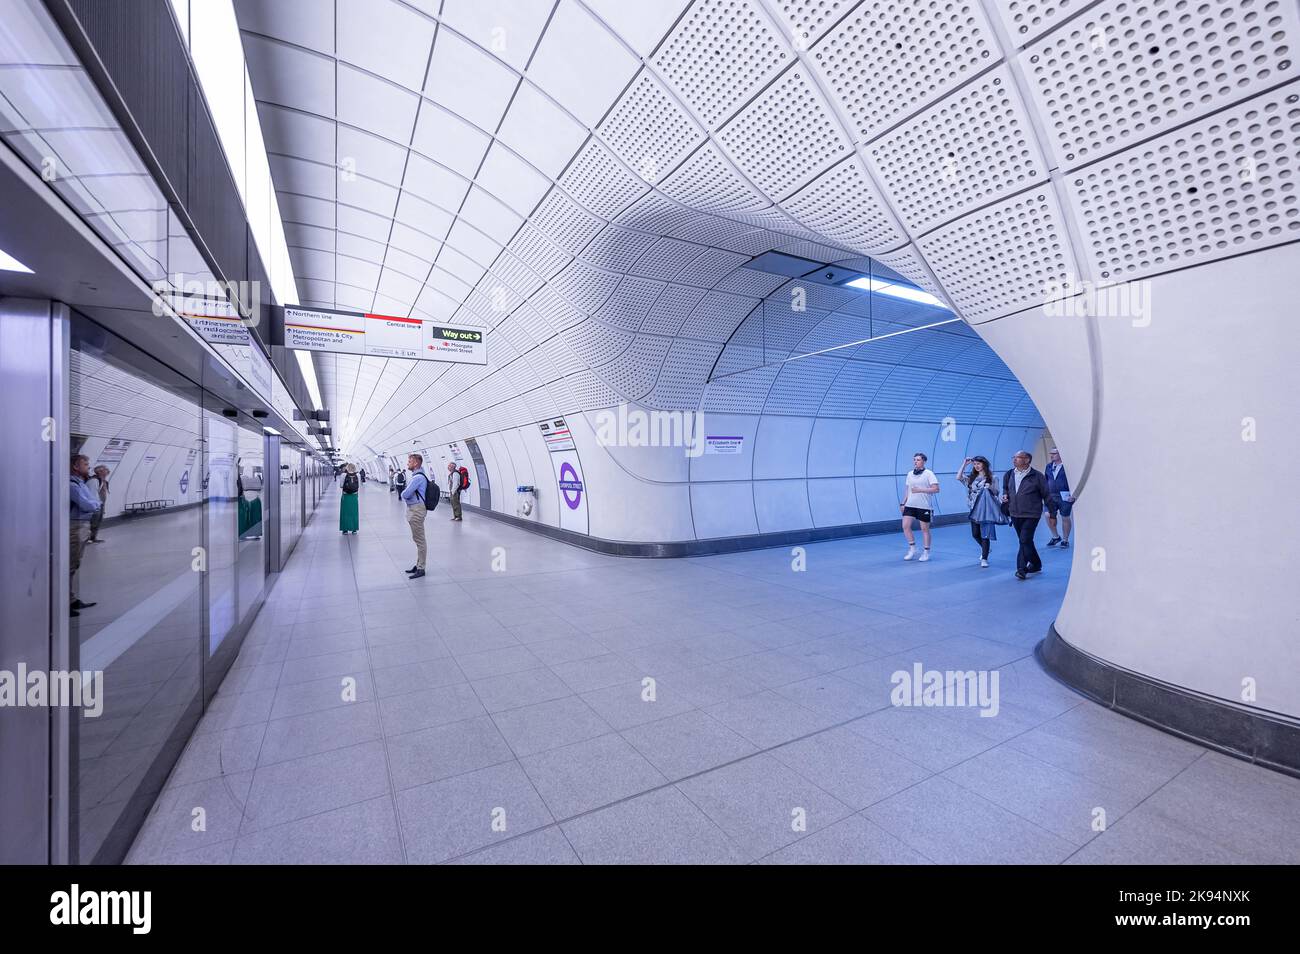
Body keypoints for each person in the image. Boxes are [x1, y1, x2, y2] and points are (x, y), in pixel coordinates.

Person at [1001, 450, 1050, 580]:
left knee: (1024, 540)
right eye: (1014, 457)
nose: (1014, 460)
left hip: (1032, 514)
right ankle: (1036, 564)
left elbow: (1046, 494)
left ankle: (1021, 569)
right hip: (1015, 513)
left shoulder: (1037, 476)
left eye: (1017, 457)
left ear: (1027, 459)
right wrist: (1005, 495)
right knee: (1026, 541)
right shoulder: (1009, 474)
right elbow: (1005, 487)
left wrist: (1052, 512)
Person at [69, 455, 100, 617]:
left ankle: (71, 599)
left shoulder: (81, 483)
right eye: (85, 464)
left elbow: (95, 502)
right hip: (74, 526)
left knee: (75, 564)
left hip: (82, 526)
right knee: (70, 565)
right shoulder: (71, 485)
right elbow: (88, 504)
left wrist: (93, 504)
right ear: (75, 466)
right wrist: (93, 505)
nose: (89, 466)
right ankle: (65, 601)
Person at [958, 455, 999, 568]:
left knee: (985, 534)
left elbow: (996, 492)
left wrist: (989, 487)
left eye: (978, 464)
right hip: (973, 509)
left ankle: (984, 558)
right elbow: (959, 477)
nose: (976, 466)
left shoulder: (993, 478)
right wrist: (964, 464)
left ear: (984, 464)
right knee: (975, 534)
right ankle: (986, 549)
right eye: (975, 464)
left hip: (986, 510)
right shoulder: (972, 478)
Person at [899, 452, 938, 561]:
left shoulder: (929, 473)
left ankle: (926, 552)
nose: (916, 462)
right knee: (905, 526)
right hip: (910, 505)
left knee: (924, 529)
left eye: (918, 460)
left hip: (924, 506)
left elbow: (936, 489)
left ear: (924, 461)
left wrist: (920, 490)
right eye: (914, 460)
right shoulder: (910, 473)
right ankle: (912, 548)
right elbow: (907, 490)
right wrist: (903, 503)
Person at [401, 454, 430, 578]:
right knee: (418, 539)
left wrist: (404, 492)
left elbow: (406, 494)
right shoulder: (416, 476)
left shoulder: (417, 478)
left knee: (420, 540)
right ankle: (418, 564)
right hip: (415, 509)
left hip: (417, 510)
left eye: (410, 461)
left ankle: (421, 568)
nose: (407, 463)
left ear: (417, 463)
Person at [1044, 447, 1073, 549]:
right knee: (1047, 514)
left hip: (1065, 496)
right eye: (1051, 453)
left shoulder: (1067, 466)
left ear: (1061, 454)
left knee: (1065, 517)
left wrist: (1073, 494)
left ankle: (1065, 540)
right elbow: (1046, 480)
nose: (1051, 455)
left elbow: (1073, 481)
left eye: (1054, 453)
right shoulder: (1048, 467)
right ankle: (1056, 536)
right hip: (1051, 496)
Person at [87, 465, 110, 543]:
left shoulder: (103, 481)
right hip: (95, 505)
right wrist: (96, 506)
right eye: (106, 469)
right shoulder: (94, 481)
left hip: (100, 505)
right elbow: (92, 494)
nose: (108, 471)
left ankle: (93, 537)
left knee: (98, 521)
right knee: (92, 522)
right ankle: (88, 538)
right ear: (100, 471)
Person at [340, 463, 360, 534]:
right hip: (354, 496)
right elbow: (358, 486)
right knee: (354, 513)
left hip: (345, 496)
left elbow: (341, 485)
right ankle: (354, 529)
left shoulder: (343, 475)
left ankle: (345, 529)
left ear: (347, 468)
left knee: (345, 513)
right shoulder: (358, 475)